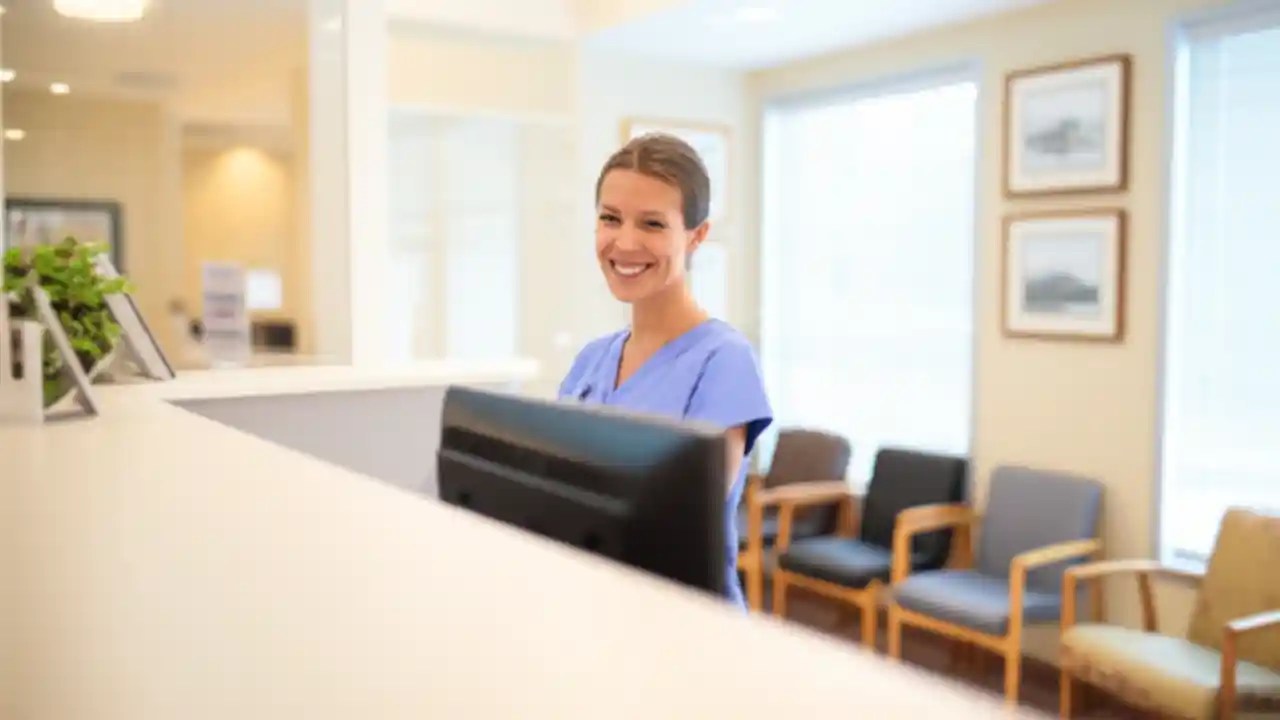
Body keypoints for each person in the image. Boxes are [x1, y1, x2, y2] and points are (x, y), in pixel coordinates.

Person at [558, 132, 773, 609]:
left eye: (652, 224)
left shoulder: (723, 360)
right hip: (596, 608)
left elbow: (682, 514)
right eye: (610, 218)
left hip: (685, 624)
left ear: (697, 236)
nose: (625, 242)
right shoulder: (590, 361)